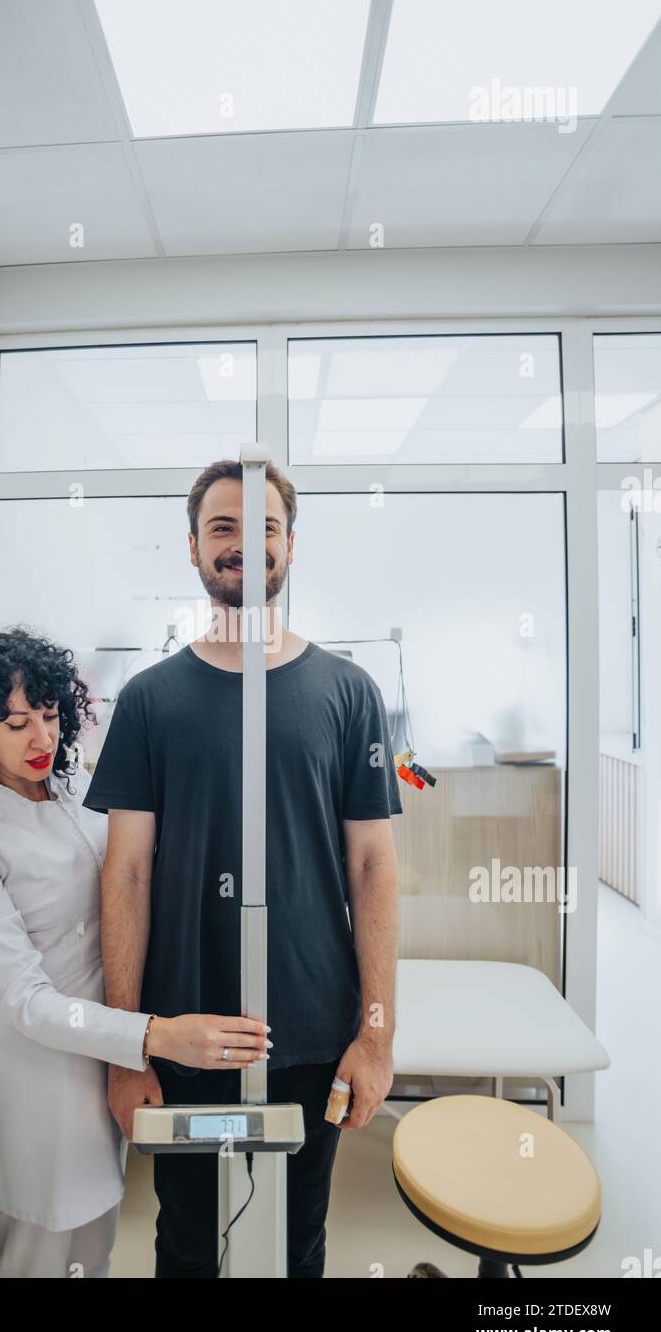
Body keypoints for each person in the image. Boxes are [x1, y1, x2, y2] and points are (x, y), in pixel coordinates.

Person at [84, 458, 403, 1278]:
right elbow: (124, 874)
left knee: (298, 1241)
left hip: (311, 1028)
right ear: (193, 548)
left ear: (288, 545)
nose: (243, 543)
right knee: (185, 1241)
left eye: (263, 526)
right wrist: (129, 1048)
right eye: (222, 527)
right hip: (182, 1030)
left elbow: (371, 866)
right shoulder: (150, 699)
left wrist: (374, 1036)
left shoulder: (347, 692)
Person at [0, 628, 269, 1278]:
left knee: (93, 1250)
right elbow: (26, 1001)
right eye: (15, 723)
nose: (42, 739)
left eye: (49, 716)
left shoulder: (73, 784)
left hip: (108, 1057)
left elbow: (132, 873)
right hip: (35, 1076)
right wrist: (158, 1037)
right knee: (37, 1254)